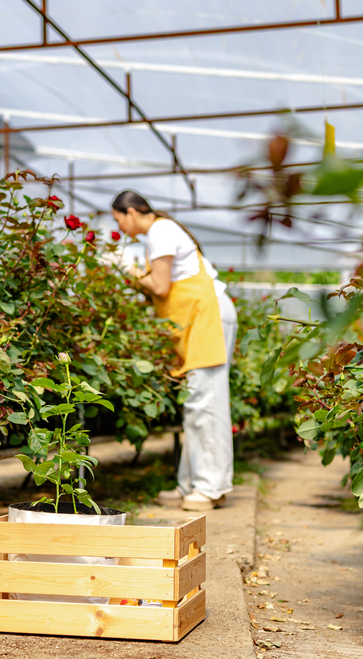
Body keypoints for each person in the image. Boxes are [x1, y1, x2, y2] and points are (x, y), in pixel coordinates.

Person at [111, 190, 237, 511]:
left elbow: (160, 286)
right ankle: (191, 486)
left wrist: (129, 268)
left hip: (207, 319)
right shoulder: (161, 231)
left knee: (206, 403)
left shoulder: (160, 231)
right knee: (196, 404)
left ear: (132, 213)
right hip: (200, 321)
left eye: (119, 220)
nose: (122, 228)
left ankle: (210, 489)